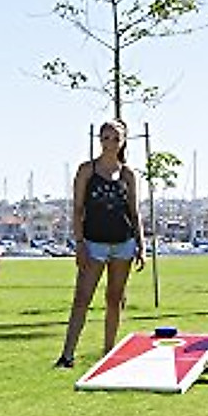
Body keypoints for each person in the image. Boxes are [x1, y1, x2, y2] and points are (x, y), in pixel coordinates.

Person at [54, 119, 145, 369]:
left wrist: (141, 244)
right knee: (82, 298)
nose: (110, 143)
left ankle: (108, 353)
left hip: (123, 244)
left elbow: (134, 211)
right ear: (99, 140)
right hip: (93, 244)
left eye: (116, 138)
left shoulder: (128, 174)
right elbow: (78, 209)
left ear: (123, 141)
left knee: (115, 298)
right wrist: (79, 242)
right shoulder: (87, 170)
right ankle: (67, 355)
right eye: (106, 138)